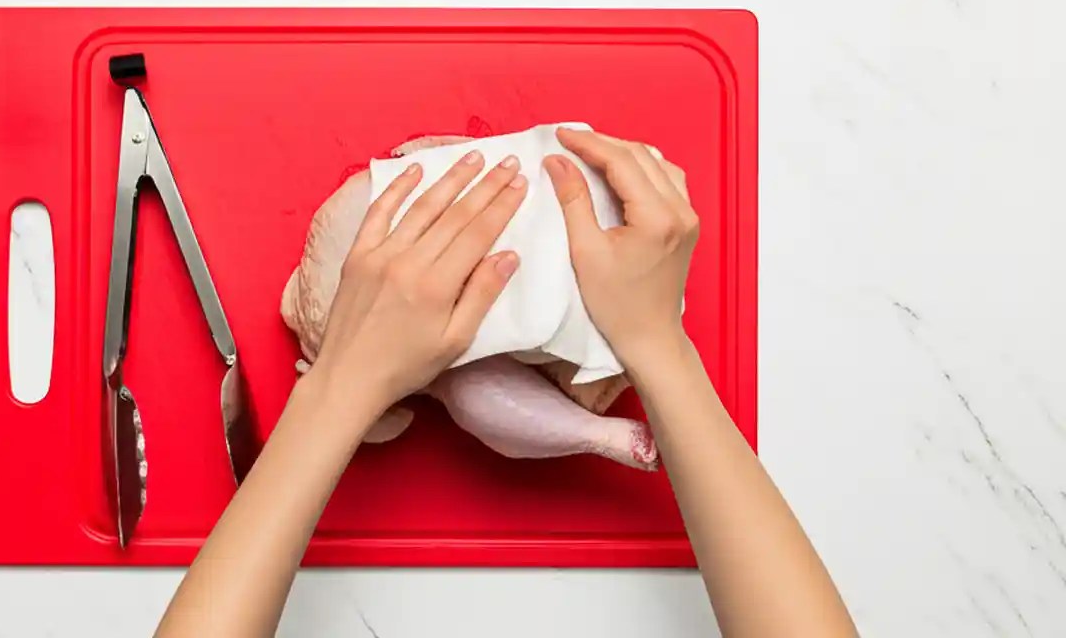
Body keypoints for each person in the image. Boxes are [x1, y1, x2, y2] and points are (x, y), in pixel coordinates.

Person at [154, 128, 858, 637]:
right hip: (388, 255)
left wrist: (336, 390)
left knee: (473, 396)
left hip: (403, 244)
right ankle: (599, 427)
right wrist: (658, 347)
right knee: (475, 396)